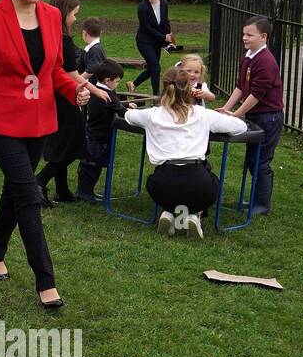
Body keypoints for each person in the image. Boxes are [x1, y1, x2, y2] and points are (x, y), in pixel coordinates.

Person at [0, 0, 98, 309]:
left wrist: (74, 91)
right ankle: (46, 282)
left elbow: (52, 69)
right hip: (0, 121)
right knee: (29, 193)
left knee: (16, 189)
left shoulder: (52, 17)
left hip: (39, 121)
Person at [123, 66, 247, 238]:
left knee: (160, 183)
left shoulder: (152, 115)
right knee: (212, 181)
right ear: (189, 88)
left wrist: (132, 110)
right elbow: (240, 127)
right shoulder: (202, 114)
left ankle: (170, 212)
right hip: (198, 182)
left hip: (162, 184)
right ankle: (194, 214)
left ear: (164, 87)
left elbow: (129, 117)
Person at [218, 15, 284, 216]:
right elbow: (241, 86)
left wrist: (237, 114)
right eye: (244, 34)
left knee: (260, 162)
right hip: (255, 115)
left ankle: (262, 205)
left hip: (269, 117)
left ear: (263, 37)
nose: (245, 38)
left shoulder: (265, 61)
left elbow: (257, 94)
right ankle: (255, 200)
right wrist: (226, 107)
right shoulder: (248, 55)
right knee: (251, 160)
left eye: (250, 35)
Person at [37, 0, 86, 205]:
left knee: (61, 143)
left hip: (50, 94)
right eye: (74, 13)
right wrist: (95, 90)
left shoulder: (46, 34)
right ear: (65, 12)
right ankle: (39, 182)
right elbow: (70, 74)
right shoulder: (63, 39)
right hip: (64, 96)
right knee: (72, 143)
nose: (75, 18)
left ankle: (62, 190)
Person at [77, 60, 128, 202]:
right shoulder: (107, 95)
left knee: (87, 165)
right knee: (93, 167)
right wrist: (132, 112)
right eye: (117, 81)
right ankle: (85, 193)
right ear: (107, 80)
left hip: (91, 134)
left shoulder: (98, 91)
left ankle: (84, 191)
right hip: (99, 137)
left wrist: (128, 104)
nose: (118, 84)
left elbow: (117, 105)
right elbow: (122, 111)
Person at [129, 0, 173, 94]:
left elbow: (165, 22)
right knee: (156, 67)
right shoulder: (142, 7)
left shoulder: (163, 3)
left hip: (157, 41)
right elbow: (146, 28)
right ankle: (156, 97)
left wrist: (168, 37)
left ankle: (133, 84)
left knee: (152, 68)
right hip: (144, 41)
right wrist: (163, 37)